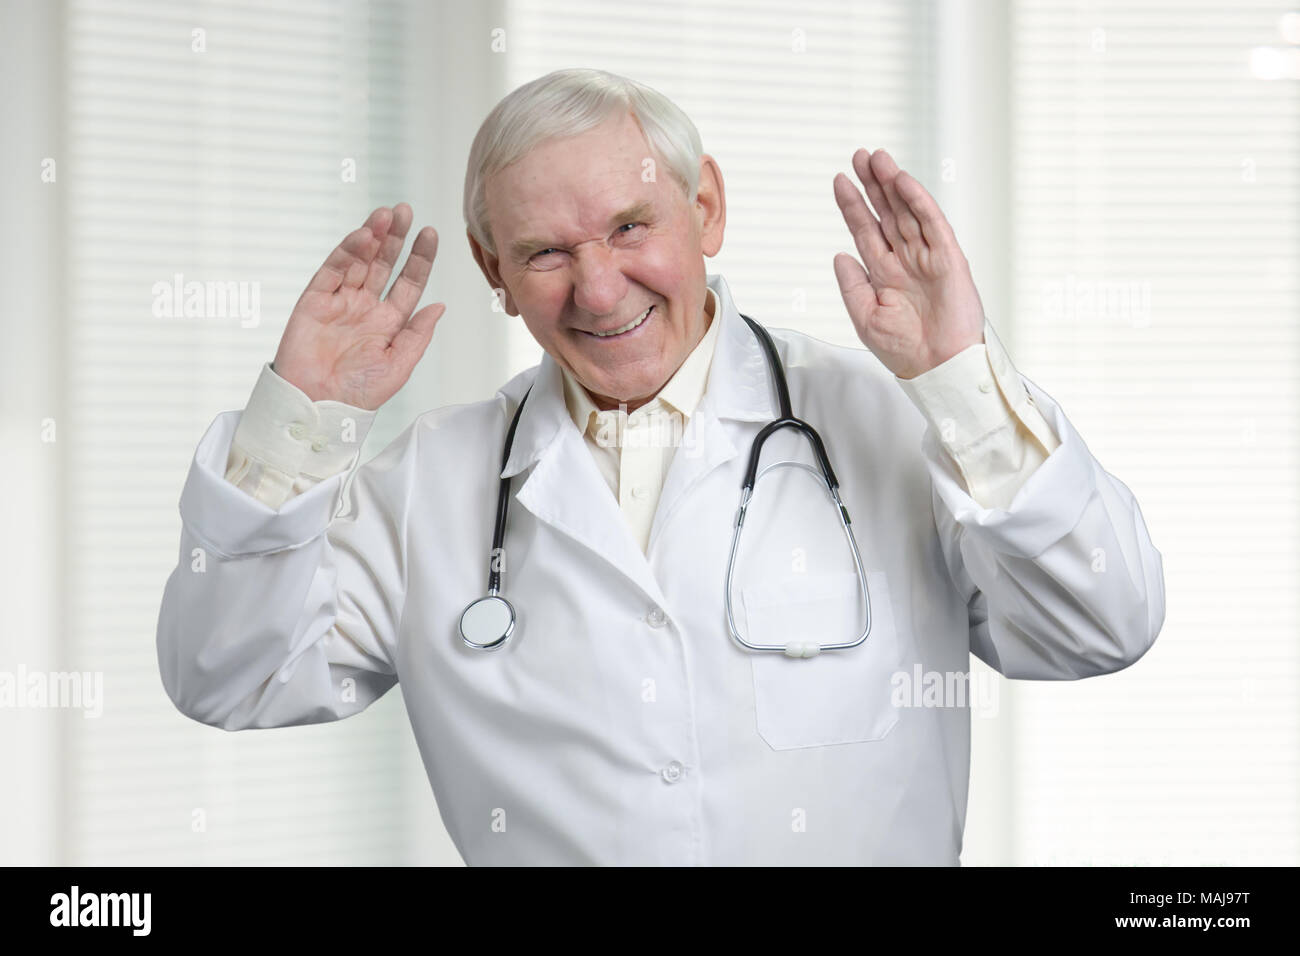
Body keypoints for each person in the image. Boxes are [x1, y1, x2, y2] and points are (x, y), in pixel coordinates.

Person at [156, 68, 1165, 865]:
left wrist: (962, 384)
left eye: (630, 227)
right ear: (490, 268)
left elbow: (1101, 624)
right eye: (546, 251)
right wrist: (296, 423)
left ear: (707, 207)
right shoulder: (431, 482)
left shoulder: (889, 421)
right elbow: (229, 678)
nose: (599, 287)